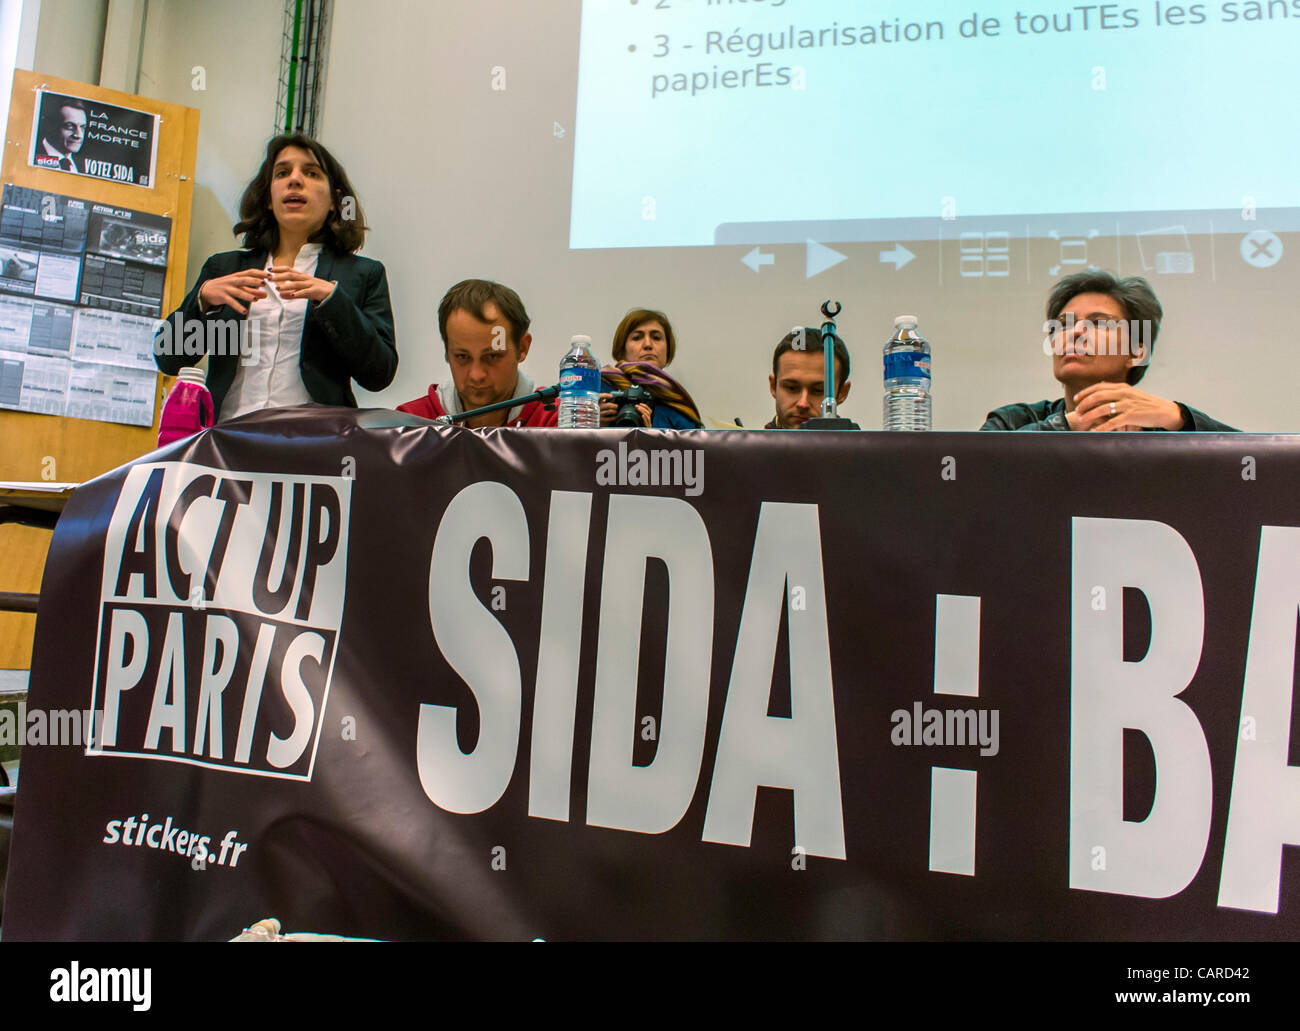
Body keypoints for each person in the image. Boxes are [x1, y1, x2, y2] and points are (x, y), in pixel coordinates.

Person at [154, 133, 396, 420]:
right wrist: (201, 301)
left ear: (335, 201)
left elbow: (378, 374)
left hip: (318, 448)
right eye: (282, 173)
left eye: (311, 173)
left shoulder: (362, 274)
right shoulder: (225, 268)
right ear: (269, 198)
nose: (295, 180)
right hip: (227, 442)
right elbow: (169, 359)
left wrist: (331, 300)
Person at [982, 270, 1235, 431]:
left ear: (1136, 352)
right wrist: (1067, 427)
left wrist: (1180, 418)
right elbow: (972, 472)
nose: (1075, 332)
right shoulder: (1014, 422)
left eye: (1098, 323)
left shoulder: (1167, 427)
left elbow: (1258, 465)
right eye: (1063, 325)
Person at [397, 279, 556, 427]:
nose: (476, 375)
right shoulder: (408, 425)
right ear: (447, 350)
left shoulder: (561, 423)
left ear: (522, 348)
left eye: (492, 356)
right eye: (462, 357)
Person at [599, 309, 702, 429]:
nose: (648, 344)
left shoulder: (678, 401)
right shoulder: (599, 390)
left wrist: (650, 438)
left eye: (656, 338)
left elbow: (693, 446)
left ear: (668, 349)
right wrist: (595, 424)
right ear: (622, 349)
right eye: (637, 338)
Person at [766, 327, 851, 429]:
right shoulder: (747, 444)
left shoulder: (867, 445)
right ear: (773, 386)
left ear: (842, 393)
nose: (803, 404)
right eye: (791, 388)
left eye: (818, 390)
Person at [35, 97, 87, 172]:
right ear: (50, 125)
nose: (79, 135)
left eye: (82, 127)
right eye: (70, 126)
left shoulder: (83, 166)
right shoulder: (33, 155)